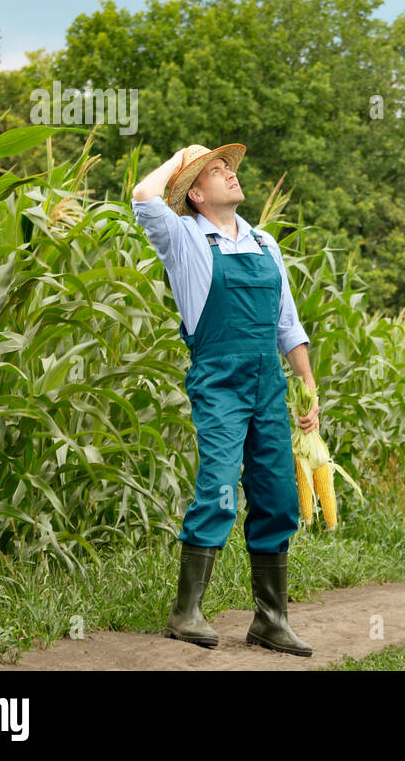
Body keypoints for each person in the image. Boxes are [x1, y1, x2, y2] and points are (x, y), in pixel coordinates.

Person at [131, 142, 318, 657]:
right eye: (217, 171)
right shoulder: (185, 238)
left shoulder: (265, 243)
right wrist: (180, 158)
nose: (232, 176)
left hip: (269, 384)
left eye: (230, 169)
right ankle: (186, 611)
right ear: (196, 194)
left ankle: (271, 619)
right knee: (217, 485)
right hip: (219, 380)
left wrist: (308, 387)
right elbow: (144, 197)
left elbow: (287, 323)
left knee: (278, 496)